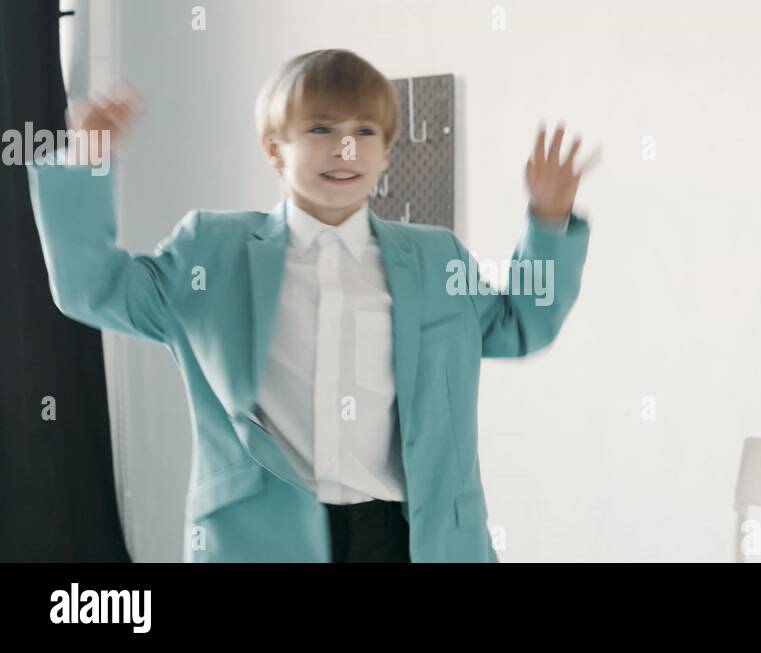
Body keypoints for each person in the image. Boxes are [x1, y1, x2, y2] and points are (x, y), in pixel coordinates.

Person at [26, 49, 595, 562]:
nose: (345, 149)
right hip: (261, 537)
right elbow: (91, 286)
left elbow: (523, 323)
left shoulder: (434, 258)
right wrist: (86, 161)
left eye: (365, 131)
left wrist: (548, 223)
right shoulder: (212, 253)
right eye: (321, 128)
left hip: (409, 538)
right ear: (275, 148)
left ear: (385, 152)